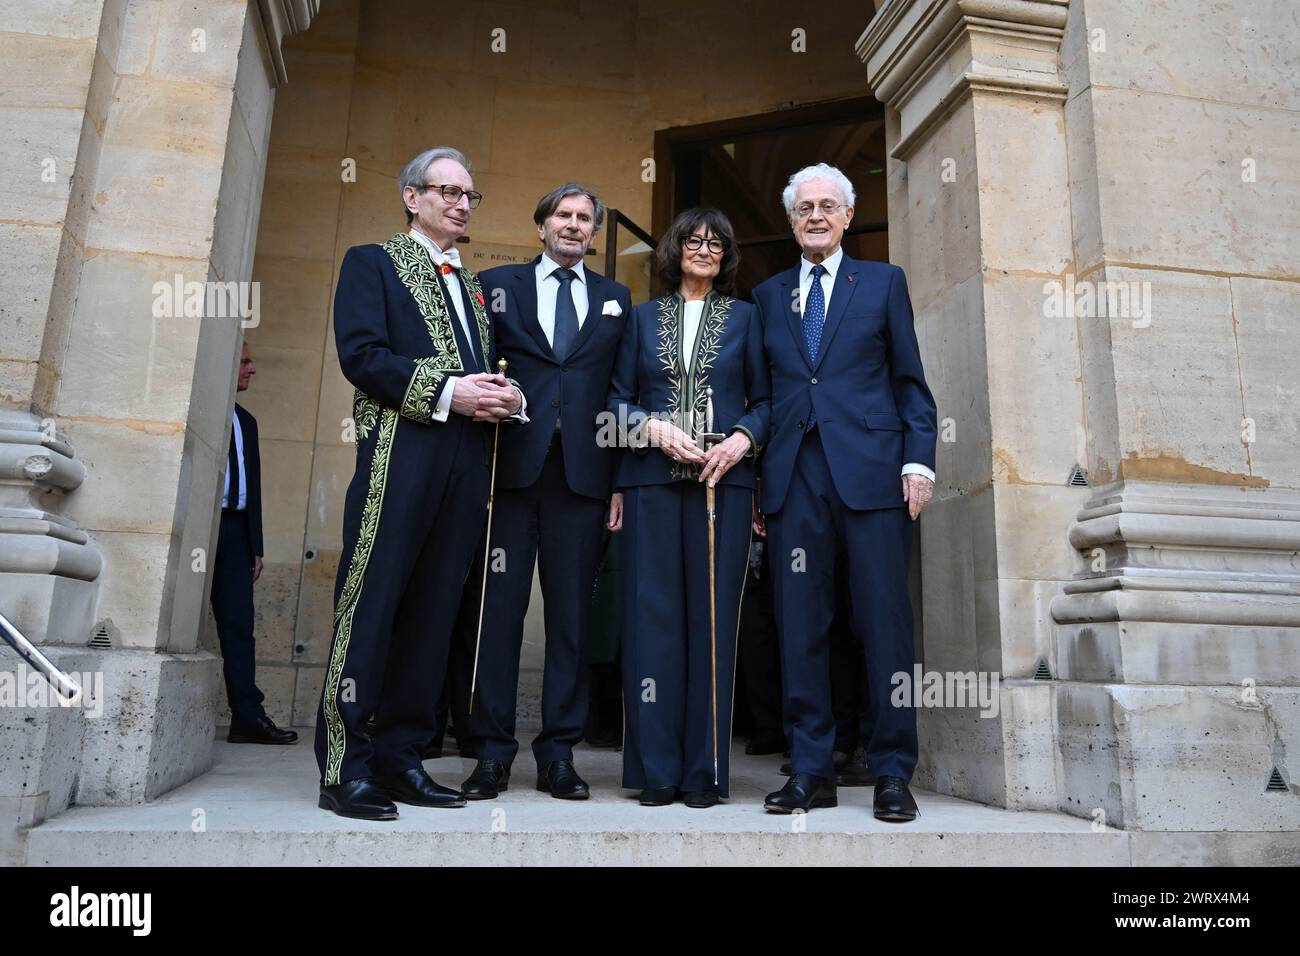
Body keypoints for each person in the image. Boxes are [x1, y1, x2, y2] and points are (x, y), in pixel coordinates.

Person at [315, 146, 524, 820]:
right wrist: (451, 393)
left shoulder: (472, 287)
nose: (461, 204)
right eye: (447, 192)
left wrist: (505, 399)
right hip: (396, 460)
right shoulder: (371, 262)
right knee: (372, 602)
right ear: (412, 197)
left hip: (465, 468)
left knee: (435, 614)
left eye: (469, 195)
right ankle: (344, 766)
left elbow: (485, 370)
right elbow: (363, 356)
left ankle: (403, 757)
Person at [754, 162, 937, 822]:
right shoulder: (768, 294)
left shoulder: (883, 283)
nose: (816, 216)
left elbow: (911, 384)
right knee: (800, 626)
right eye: (805, 207)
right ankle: (811, 768)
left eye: (828, 205)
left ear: (849, 216)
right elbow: (766, 393)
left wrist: (919, 464)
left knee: (883, 624)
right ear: (791, 219)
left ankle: (891, 771)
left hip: (874, 477)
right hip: (793, 480)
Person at [458, 184, 630, 801]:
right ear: (541, 225)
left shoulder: (617, 299)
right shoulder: (496, 284)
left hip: (582, 483)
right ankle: (491, 754)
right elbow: (474, 367)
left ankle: (559, 753)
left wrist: (616, 484)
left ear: (594, 233)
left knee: (571, 624)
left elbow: (619, 390)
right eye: (563, 215)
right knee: (496, 620)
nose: (574, 225)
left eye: (586, 219)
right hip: (508, 478)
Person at [608, 208, 770, 808]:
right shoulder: (640, 320)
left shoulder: (750, 320)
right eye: (693, 240)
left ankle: (703, 772)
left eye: (716, 242)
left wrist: (743, 439)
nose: (703, 249)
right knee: (652, 623)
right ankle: (657, 771)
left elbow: (769, 401)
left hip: (721, 484)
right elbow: (614, 403)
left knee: (711, 623)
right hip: (651, 484)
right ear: (673, 250)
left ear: (727, 255)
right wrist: (649, 428)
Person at [212, 345, 297, 746]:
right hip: (202, 527)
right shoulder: (202, 413)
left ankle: (247, 717)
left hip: (235, 534)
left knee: (239, 626)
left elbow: (253, 489)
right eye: (245, 361)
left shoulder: (247, 421)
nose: (253, 369)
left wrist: (255, 546)